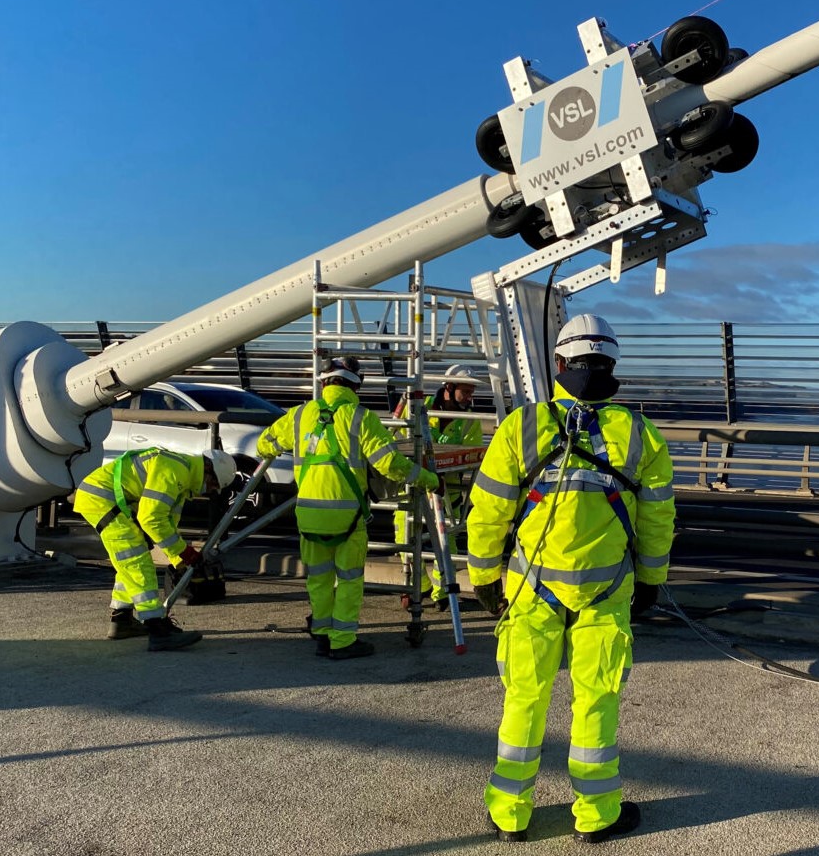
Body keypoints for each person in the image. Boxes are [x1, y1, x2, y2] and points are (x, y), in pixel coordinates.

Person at [466, 314, 675, 843]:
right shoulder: (640, 434)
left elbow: (487, 512)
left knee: (524, 699)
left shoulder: (521, 426)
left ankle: (510, 813)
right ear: (612, 365)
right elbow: (657, 518)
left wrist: (485, 577)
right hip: (606, 593)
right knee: (597, 700)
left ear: (559, 365)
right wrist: (651, 579)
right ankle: (597, 814)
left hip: (531, 588)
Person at [257, 356, 439, 660]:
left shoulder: (300, 415)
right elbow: (390, 464)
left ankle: (323, 633)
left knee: (319, 578)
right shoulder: (361, 418)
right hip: (348, 517)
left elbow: (264, 444)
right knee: (349, 579)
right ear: (356, 384)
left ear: (324, 382)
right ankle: (341, 641)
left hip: (309, 514)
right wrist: (428, 479)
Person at [72, 447, 236, 651]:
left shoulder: (182, 480)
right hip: (101, 499)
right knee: (137, 563)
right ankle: (157, 628)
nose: (210, 490)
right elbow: (151, 518)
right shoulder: (175, 470)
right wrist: (184, 552)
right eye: (213, 484)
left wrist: (179, 560)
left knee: (130, 563)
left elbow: (168, 524)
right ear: (209, 469)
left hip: (109, 499)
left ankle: (121, 621)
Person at [394, 364, 484, 610]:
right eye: (465, 391)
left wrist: (443, 464)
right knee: (405, 536)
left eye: (471, 392)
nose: (469, 397)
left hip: (446, 491)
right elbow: (398, 439)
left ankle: (442, 593)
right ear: (449, 387)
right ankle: (416, 587)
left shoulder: (469, 421)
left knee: (446, 545)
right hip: (413, 487)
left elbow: (469, 455)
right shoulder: (417, 407)